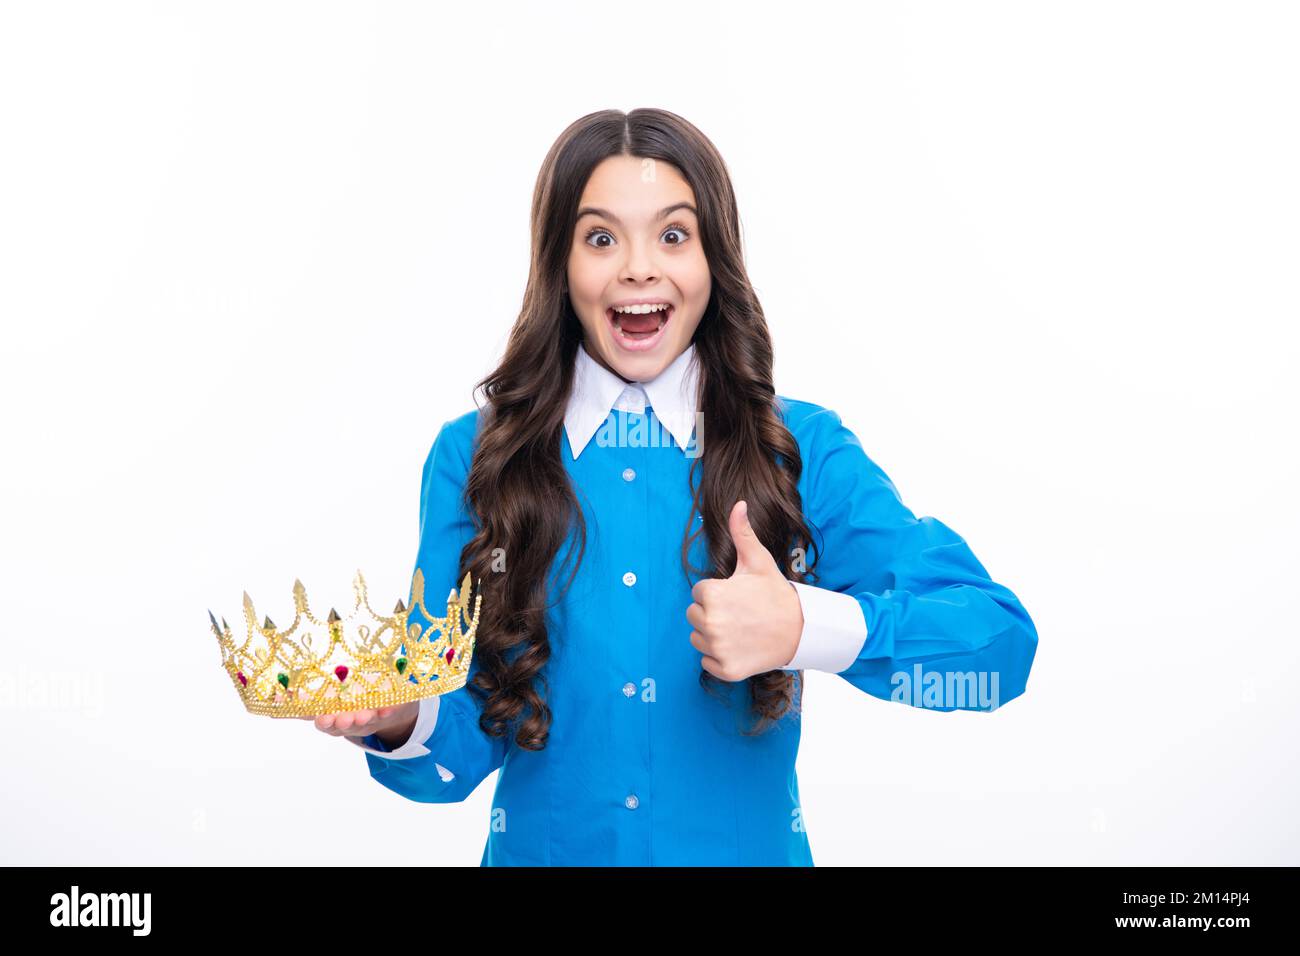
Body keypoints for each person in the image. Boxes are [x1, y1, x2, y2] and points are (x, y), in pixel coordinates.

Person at [304, 108, 1038, 866]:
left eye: (673, 235)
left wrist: (805, 627)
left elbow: (998, 647)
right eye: (600, 238)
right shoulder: (476, 457)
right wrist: (399, 715)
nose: (638, 268)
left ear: (714, 260)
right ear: (560, 264)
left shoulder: (799, 449)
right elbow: (449, 758)